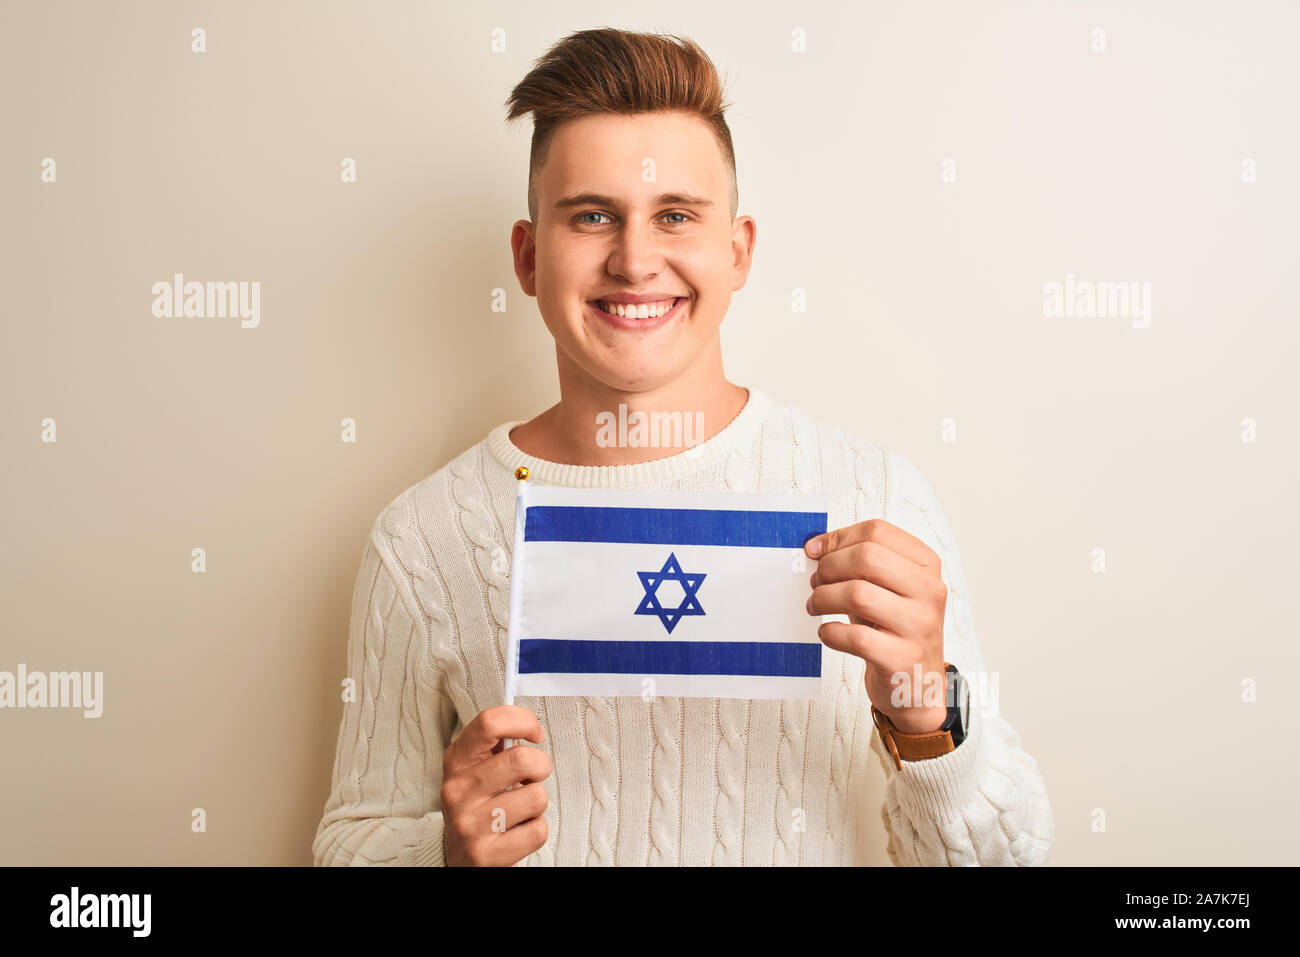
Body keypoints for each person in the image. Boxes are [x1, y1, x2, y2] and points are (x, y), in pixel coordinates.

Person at [312, 27, 1053, 867]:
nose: (635, 260)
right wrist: (442, 857)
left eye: (674, 216)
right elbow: (351, 844)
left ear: (737, 252)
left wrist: (928, 716)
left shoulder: (876, 497)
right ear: (527, 256)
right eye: (592, 216)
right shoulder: (424, 539)